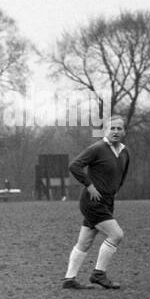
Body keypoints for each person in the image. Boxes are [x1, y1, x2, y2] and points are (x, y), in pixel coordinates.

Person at [62, 115, 130, 289]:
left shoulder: (124, 152)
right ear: (105, 130)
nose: (115, 131)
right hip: (92, 201)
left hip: (107, 202)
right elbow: (74, 166)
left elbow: (121, 178)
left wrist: (112, 192)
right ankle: (98, 274)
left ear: (124, 131)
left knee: (85, 242)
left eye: (119, 128)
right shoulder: (98, 148)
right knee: (116, 235)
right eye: (112, 128)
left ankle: (69, 280)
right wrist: (89, 185)